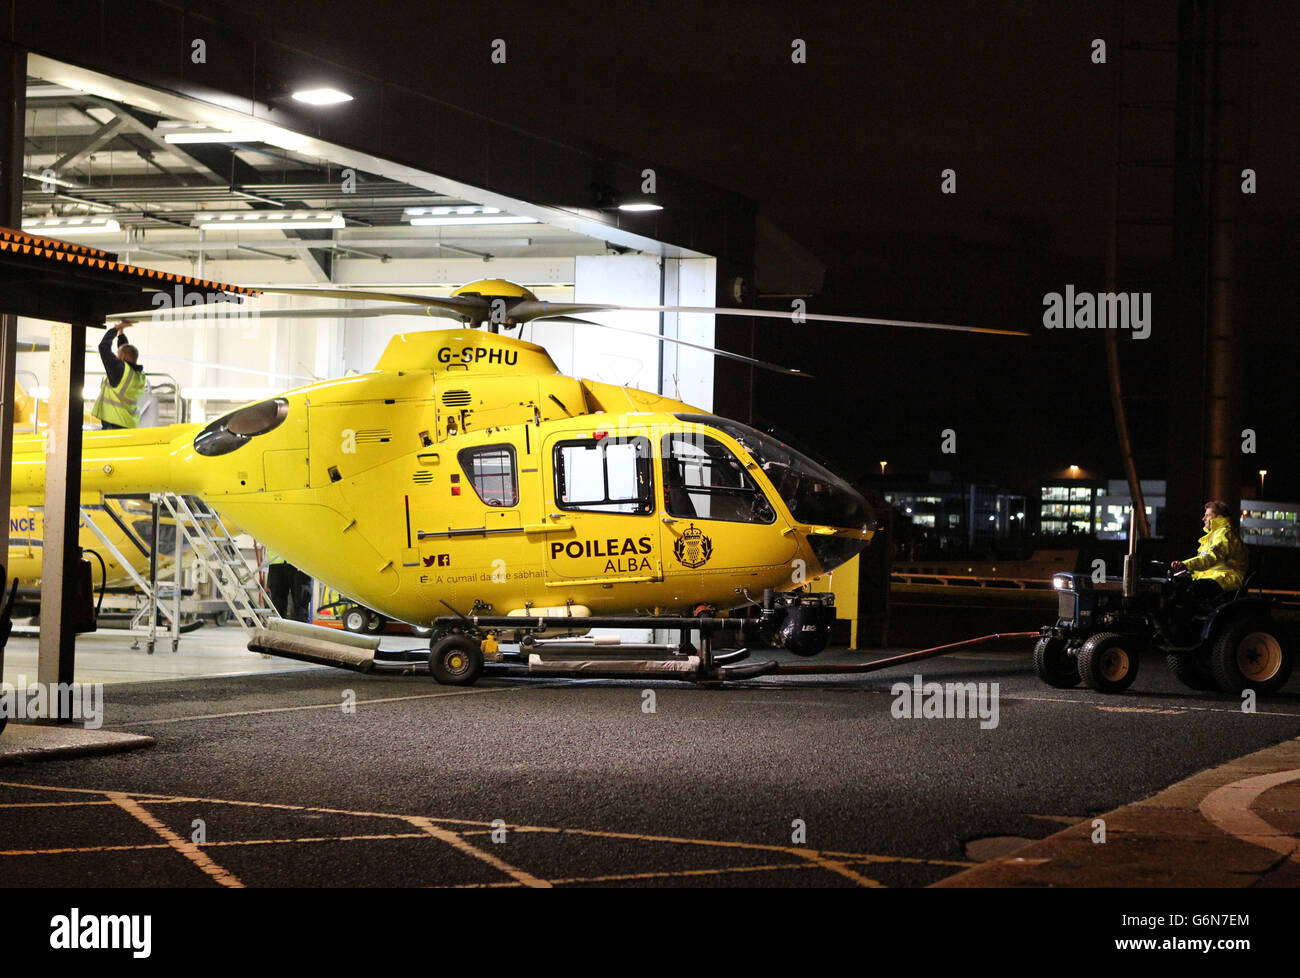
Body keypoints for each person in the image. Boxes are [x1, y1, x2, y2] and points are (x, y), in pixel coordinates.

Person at [1171, 500, 1248, 599]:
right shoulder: (1215, 534)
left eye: (1207, 515)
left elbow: (1210, 558)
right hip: (1217, 579)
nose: (1203, 518)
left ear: (1219, 517)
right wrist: (1188, 574)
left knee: (1191, 591)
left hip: (1226, 580)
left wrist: (1185, 565)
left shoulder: (1224, 534)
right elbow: (1206, 565)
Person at [91, 321, 147, 430]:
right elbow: (125, 349)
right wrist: (121, 332)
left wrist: (115, 328)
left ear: (122, 357)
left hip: (115, 423)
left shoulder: (119, 371)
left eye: (117, 354)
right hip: (129, 423)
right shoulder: (138, 375)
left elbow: (103, 347)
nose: (116, 356)